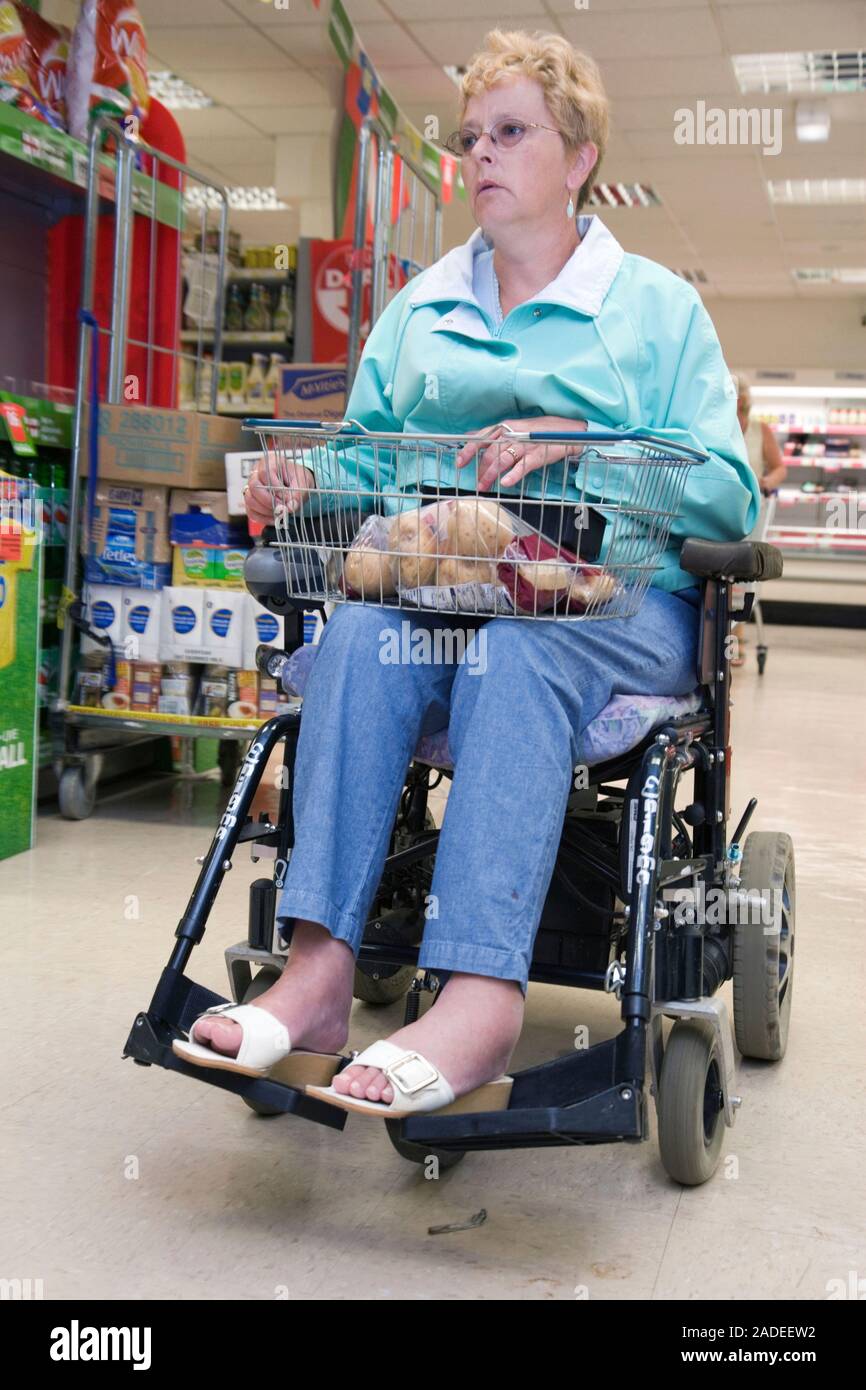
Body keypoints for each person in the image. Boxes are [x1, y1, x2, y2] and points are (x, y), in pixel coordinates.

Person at [173, 29, 760, 1118]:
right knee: (352, 635)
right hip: (435, 596)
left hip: (614, 605)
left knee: (513, 651)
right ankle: (317, 974)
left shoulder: (652, 313)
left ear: (578, 156)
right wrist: (301, 490)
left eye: (510, 131)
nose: (478, 154)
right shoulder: (417, 310)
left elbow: (729, 494)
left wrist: (585, 445)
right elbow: (356, 464)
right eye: (468, 136)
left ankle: (482, 994)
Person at [730, 375, 786, 665]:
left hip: (753, 511)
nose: (738, 414)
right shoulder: (718, 427)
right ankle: (725, 636)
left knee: (742, 572)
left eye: (742, 408)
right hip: (725, 509)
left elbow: (779, 468)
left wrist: (766, 481)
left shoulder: (760, 431)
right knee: (723, 569)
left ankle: (735, 635)